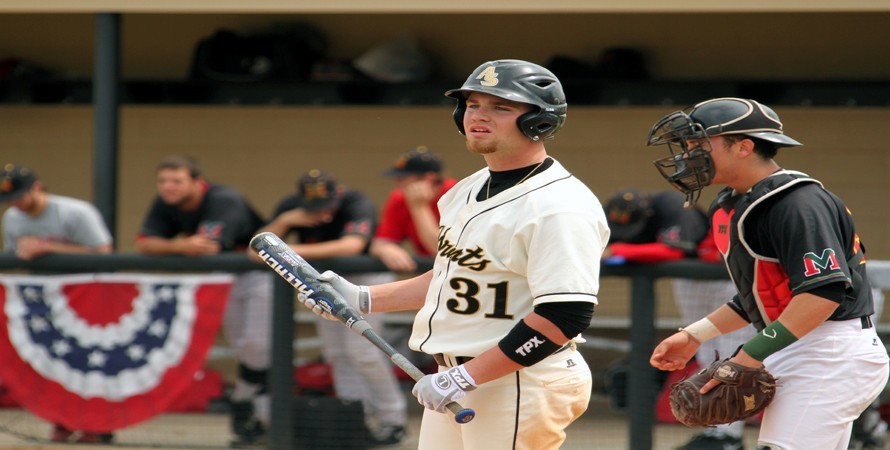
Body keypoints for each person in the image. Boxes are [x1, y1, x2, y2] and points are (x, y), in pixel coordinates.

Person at [297, 59, 609, 450]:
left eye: (501, 107)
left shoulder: (560, 205)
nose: (479, 116)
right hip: (458, 378)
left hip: (517, 379)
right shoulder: (466, 188)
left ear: (540, 121)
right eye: (472, 104)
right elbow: (450, 276)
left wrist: (466, 377)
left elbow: (565, 314)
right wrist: (364, 299)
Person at [646, 97, 889, 449]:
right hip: (800, 345)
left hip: (830, 350)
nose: (687, 154)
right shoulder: (735, 203)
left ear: (743, 146)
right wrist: (696, 335)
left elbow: (822, 294)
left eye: (699, 144)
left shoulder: (797, 203)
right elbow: (762, 296)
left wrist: (748, 356)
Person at [257, 169, 408, 446]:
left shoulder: (354, 200)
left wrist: (290, 253)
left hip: (363, 280)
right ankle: (353, 418)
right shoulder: (291, 208)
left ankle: (393, 418)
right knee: (336, 353)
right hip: (323, 282)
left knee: (362, 351)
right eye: (313, 208)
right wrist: (285, 221)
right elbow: (258, 248)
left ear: (336, 194)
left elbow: (352, 245)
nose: (322, 214)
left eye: (326, 206)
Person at [133, 155, 270, 448]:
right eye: (163, 181)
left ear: (198, 183)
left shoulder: (223, 199)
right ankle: (253, 418)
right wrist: (179, 245)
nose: (168, 187)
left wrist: (171, 247)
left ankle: (248, 404)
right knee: (244, 347)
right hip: (227, 274)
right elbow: (144, 242)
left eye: (177, 181)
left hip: (261, 274)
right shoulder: (166, 203)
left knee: (258, 345)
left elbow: (207, 247)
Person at [603, 188, 754, 450]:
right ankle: (717, 431)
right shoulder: (621, 223)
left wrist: (621, 250)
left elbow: (677, 251)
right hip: (690, 283)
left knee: (732, 356)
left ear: (646, 212)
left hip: (726, 281)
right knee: (708, 355)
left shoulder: (671, 204)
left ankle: (728, 437)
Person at [0, 163, 115, 444]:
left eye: (21, 195)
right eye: (10, 199)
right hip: (45, 299)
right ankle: (62, 421)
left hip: (86, 296)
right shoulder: (13, 218)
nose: (16, 203)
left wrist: (49, 248)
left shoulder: (75, 212)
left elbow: (104, 253)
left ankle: (96, 425)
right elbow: (12, 256)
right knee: (51, 362)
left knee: (89, 362)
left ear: (37, 187)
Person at [369, 146, 458, 273]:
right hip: (429, 274)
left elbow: (445, 251)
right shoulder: (399, 198)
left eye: (402, 178)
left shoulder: (458, 194)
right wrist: (386, 249)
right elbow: (379, 243)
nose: (397, 182)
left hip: (460, 272)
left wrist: (419, 207)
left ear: (428, 178)